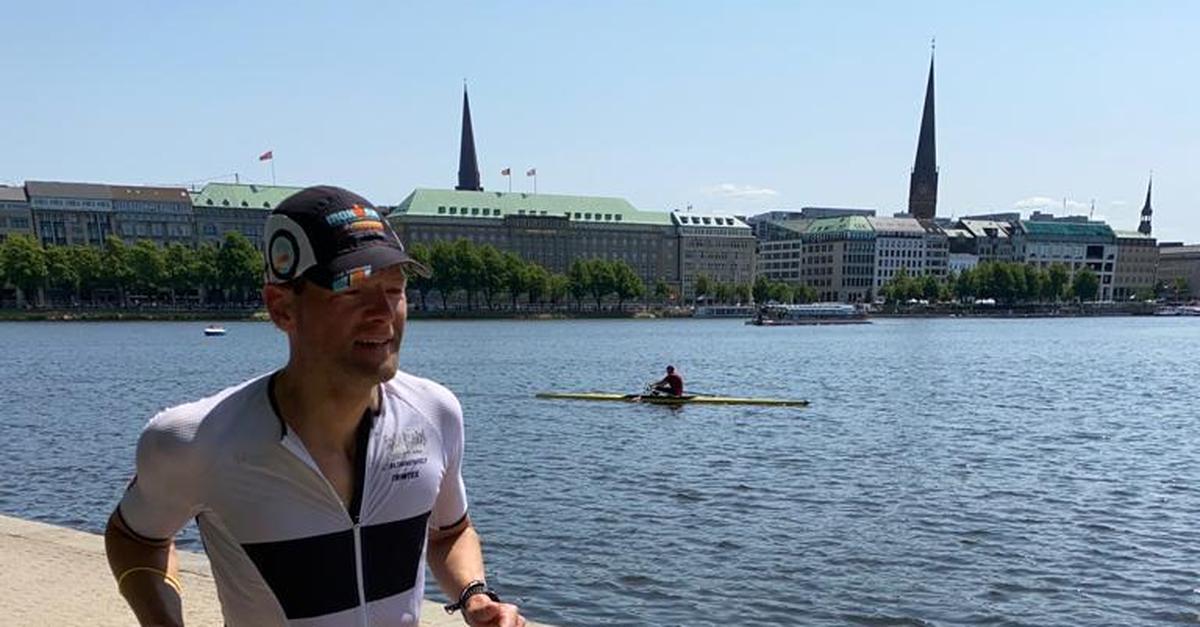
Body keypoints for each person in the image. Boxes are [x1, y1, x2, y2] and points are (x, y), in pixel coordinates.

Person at [104, 185, 525, 627]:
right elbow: (135, 538)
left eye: (395, 289)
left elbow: (451, 531)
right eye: (353, 291)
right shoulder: (196, 440)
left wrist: (474, 594)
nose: (383, 312)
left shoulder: (435, 413)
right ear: (281, 307)